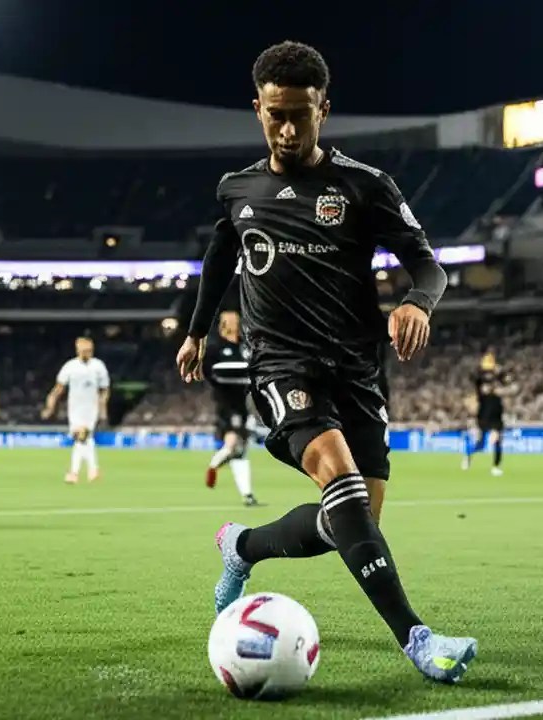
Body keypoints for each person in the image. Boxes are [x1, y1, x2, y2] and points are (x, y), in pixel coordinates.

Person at [176, 41, 476, 684]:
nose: (287, 129)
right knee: (340, 486)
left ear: (324, 110)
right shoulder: (238, 189)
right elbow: (219, 259)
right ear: (257, 108)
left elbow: (429, 265)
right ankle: (418, 639)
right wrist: (197, 330)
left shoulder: (365, 188)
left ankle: (242, 545)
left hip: (358, 372)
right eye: (275, 114)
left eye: (301, 115)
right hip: (282, 367)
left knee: (352, 522)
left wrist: (419, 304)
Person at [202, 310, 258, 506]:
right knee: (233, 443)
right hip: (226, 402)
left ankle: (248, 495)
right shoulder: (216, 348)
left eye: (235, 320)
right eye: (230, 321)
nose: (234, 324)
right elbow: (208, 371)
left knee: (242, 451)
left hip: (245, 403)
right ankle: (214, 465)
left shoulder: (244, 347)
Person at [42, 337, 110, 484]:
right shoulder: (70, 366)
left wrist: (102, 406)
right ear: (78, 350)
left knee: (82, 435)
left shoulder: (98, 366)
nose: (87, 353)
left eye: (89, 351)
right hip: (75, 408)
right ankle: (93, 469)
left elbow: (104, 389)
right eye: (84, 351)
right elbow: (59, 388)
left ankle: (74, 473)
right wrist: (50, 404)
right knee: (85, 439)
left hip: (91, 407)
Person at [461, 349, 506, 476]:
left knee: (498, 440)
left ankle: (496, 466)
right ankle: (468, 454)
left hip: (497, 412)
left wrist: (499, 372)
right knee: (480, 444)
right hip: (484, 414)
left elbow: (507, 380)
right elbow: (474, 377)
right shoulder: (479, 380)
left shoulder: (499, 378)